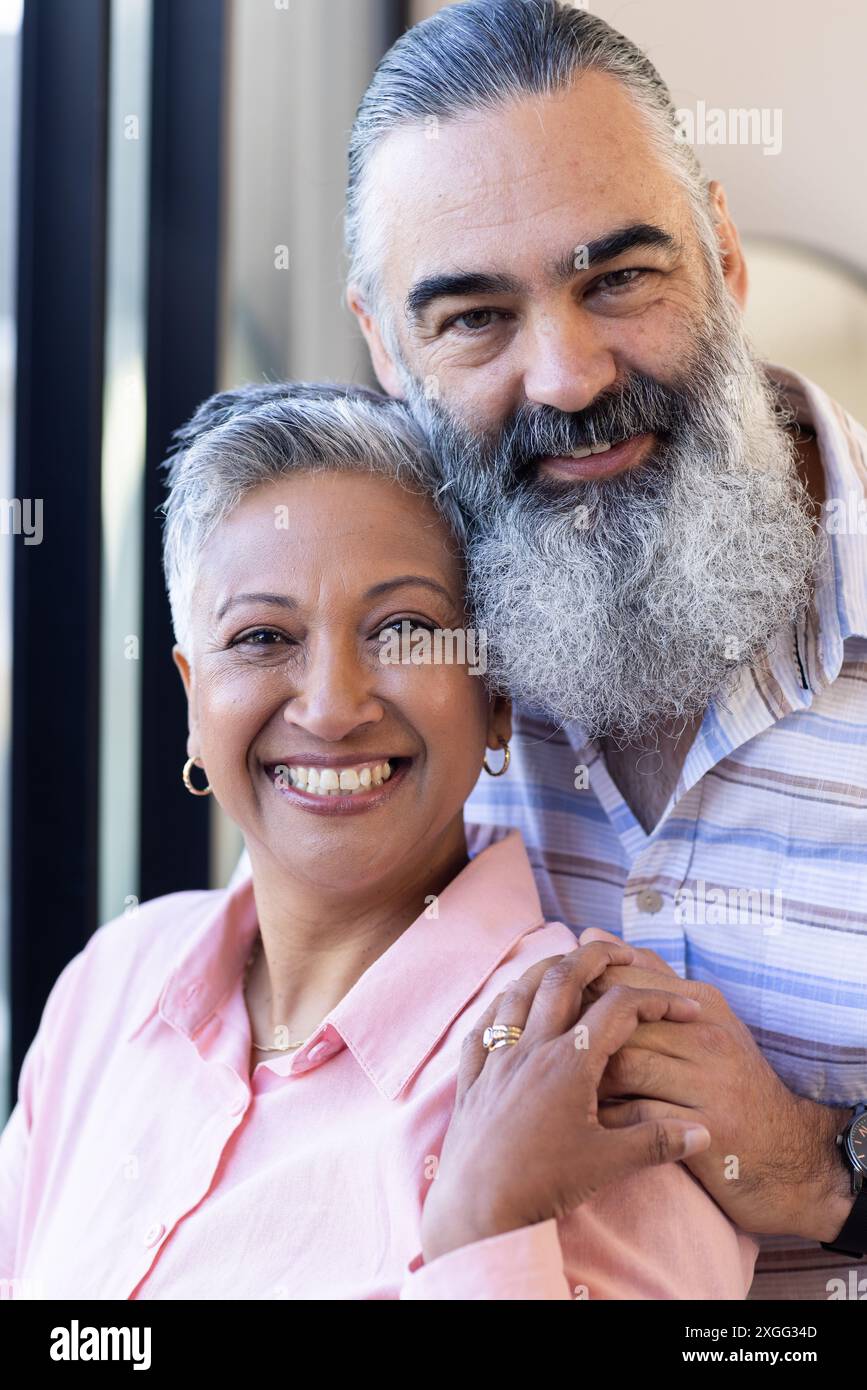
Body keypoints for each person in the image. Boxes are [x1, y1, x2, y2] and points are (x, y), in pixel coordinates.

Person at [0, 382, 757, 1300]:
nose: (330, 707)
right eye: (263, 636)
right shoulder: (113, 983)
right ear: (194, 700)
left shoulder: (591, 1061)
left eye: (403, 629)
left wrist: (485, 1235)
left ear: (496, 697)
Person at [343, 0, 867, 1297]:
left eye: (616, 276)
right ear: (385, 350)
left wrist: (823, 1168)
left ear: (722, 254)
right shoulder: (374, 692)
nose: (566, 374)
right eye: (472, 316)